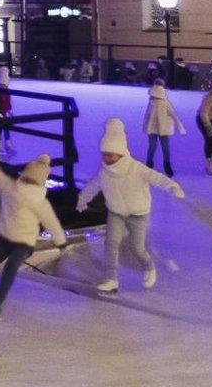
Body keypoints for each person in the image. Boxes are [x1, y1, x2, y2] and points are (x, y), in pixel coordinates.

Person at [76, 118, 184, 294]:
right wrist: (83, 199)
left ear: (121, 153)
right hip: (116, 213)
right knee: (111, 243)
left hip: (138, 214)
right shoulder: (105, 173)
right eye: (104, 154)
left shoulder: (136, 168)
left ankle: (149, 267)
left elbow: (156, 177)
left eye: (110, 155)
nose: (106, 158)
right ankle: (111, 279)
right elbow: (93, 186)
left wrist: (172, 186)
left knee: (136, 248)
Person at [0, 140, 66, 318]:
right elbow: (52, 223)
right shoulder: (14, 189)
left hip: (20, 242)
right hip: (8, 237)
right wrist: (60, 241)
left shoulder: (22, 193)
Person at [143, 79, 187, 176]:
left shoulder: (157, 102)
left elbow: (147, 115)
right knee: (161, 147)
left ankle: (153, 163)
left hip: (157, 128)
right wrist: (180, 127)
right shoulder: (156, 102)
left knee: (155, 147)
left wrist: (145, 127)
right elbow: (173, 115)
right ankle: (160, 164)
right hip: (160, 129)